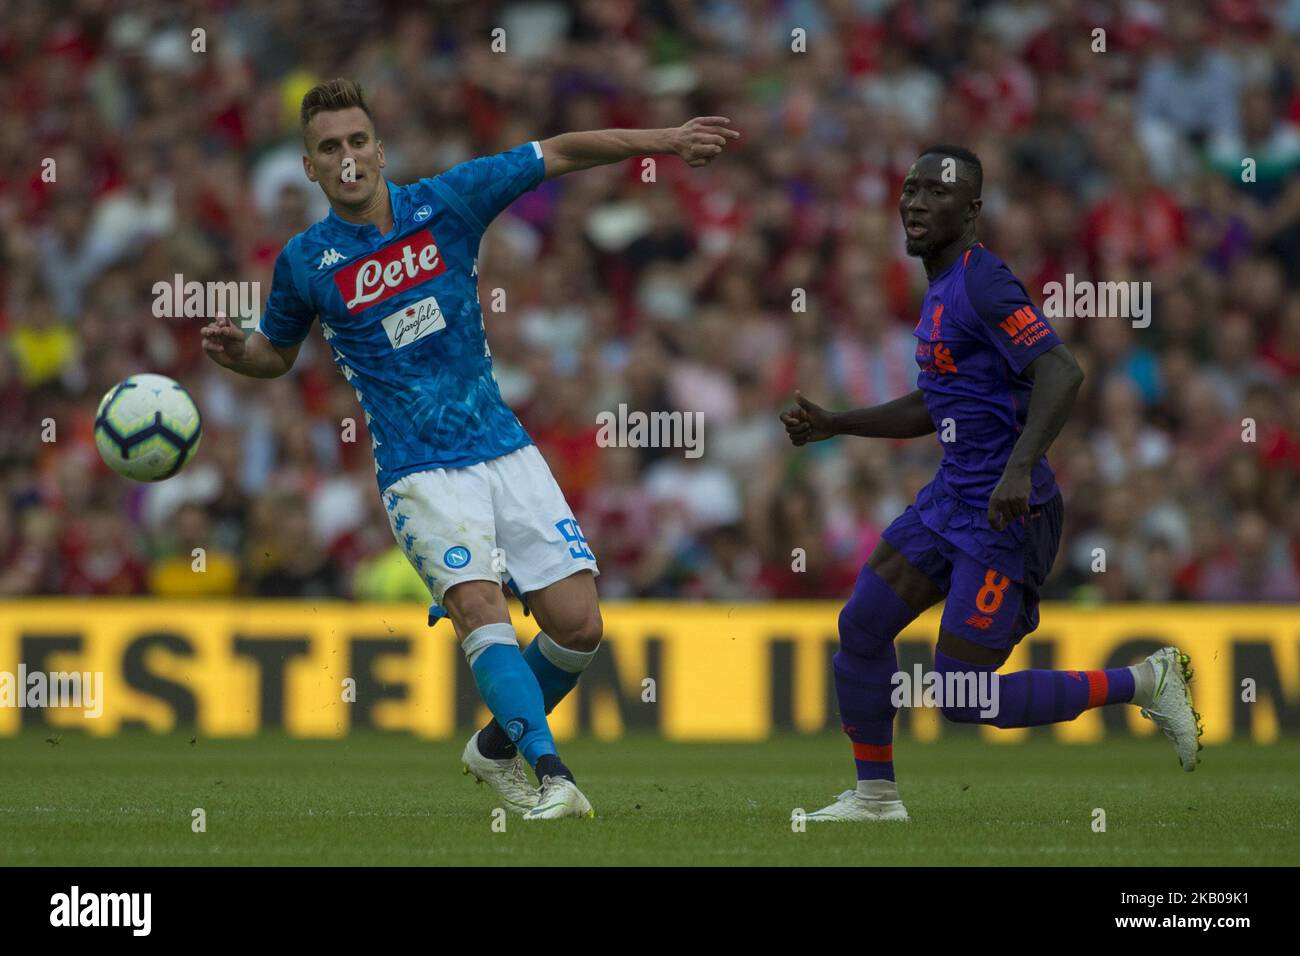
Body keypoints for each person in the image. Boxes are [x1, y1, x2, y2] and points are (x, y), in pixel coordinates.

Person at [201, 78, 738, 819]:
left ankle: (492, 749)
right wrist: (241, 352)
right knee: (481, 605)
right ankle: (553, 777)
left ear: (380, 150)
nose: (348, 157)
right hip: (419, 469)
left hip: (504, 448)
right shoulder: (304, 262)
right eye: (330, 148)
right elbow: (277, 354)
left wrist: (668, 140)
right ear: (309, 168)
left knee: (578, 625)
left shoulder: (447, 202)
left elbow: (558, 152)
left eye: (358, 141)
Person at [781, 146, 1202, 822]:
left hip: (1006, 513)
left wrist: (1017, 468)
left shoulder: (984, 282)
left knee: (963, 699)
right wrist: (838, 422)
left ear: (972, 211)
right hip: (951, 497)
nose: (916, 203)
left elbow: (1062, 372)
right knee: (861, 626)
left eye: (936, 194)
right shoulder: (943, 286)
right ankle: (876, 798)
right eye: (910, 190)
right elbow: (934, 401)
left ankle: (1145, 680)